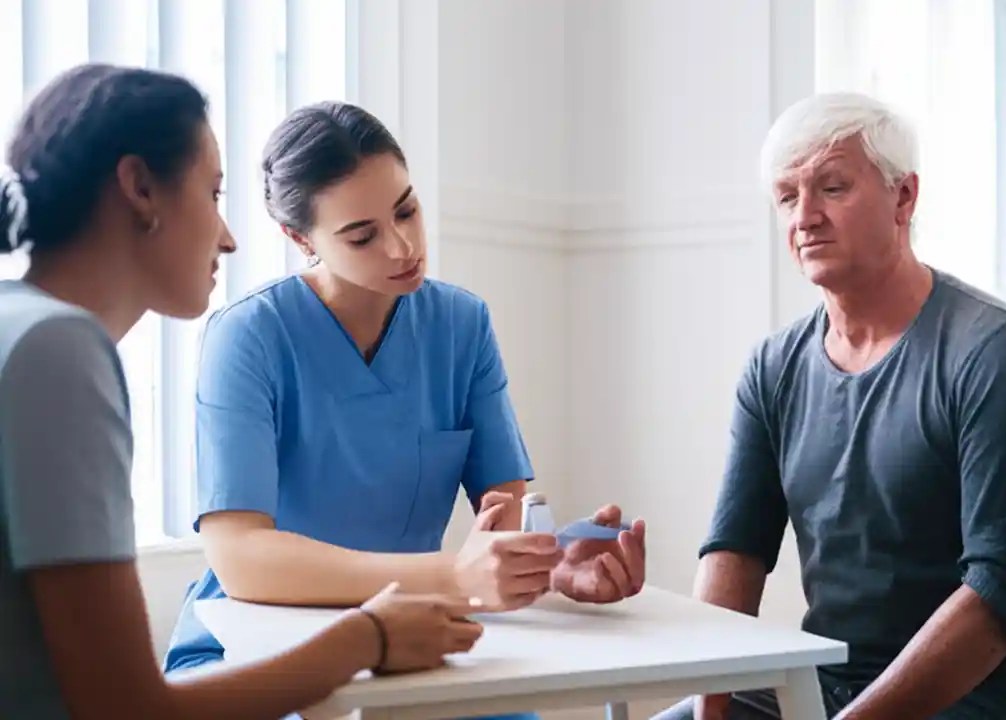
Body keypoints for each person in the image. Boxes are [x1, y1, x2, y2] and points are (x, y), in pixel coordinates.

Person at [0, 63, 482, 720]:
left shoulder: (20, 329)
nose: (227, 237)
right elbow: (125, 708)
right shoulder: (59, 351)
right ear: (140, 188)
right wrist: (368, 636)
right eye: (214, 194)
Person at [163, 102, 647, 717]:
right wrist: (450, 577)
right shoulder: (248, 337)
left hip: (421, 643)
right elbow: (241, 561)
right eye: (362, 235)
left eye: (407, 210)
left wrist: (549, 569)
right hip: (253, 646)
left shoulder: (461, 324)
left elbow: (504, 519)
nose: (402, 246)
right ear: (299, 238)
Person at [654, 93, 1006, 720]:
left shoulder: (998, 353)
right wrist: (708, 706)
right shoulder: (772, 368)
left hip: (977, 695)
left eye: (833, 187)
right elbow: (734, 551)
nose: (805, 217)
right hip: (821, 682)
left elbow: (1000, 594)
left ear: (905, 197)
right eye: (787, 197)